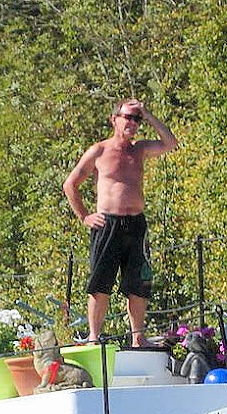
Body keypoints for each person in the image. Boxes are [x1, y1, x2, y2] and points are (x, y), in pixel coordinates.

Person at [63, 97, 180, 345]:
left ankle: (138, 337)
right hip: (108, 224)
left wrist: (147, 114)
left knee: (138, 284)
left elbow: (171, 143)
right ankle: (94, 336)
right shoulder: (99, 150)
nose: (133, 123)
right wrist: (85, 216)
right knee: (100, 282)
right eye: (128, 117)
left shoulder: (140, 149)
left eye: (136, 119)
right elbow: (70, 184)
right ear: (114, 119)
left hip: (136, 224)